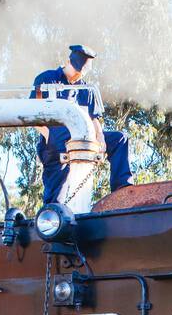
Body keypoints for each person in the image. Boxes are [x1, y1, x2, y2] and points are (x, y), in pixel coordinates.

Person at [29, 45, 133, 204]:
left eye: (81, 73)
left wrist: (101, 138)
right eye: (76, 70)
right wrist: (48, 135)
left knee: (120, 139)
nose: (77, 75)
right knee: (56, 197)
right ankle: (53, 212)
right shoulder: (46, 79)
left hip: (84, 139)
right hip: (55, 142)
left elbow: (94, 118)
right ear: (67, 62)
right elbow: (31, 114)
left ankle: (122, 189)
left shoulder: (85, 89)